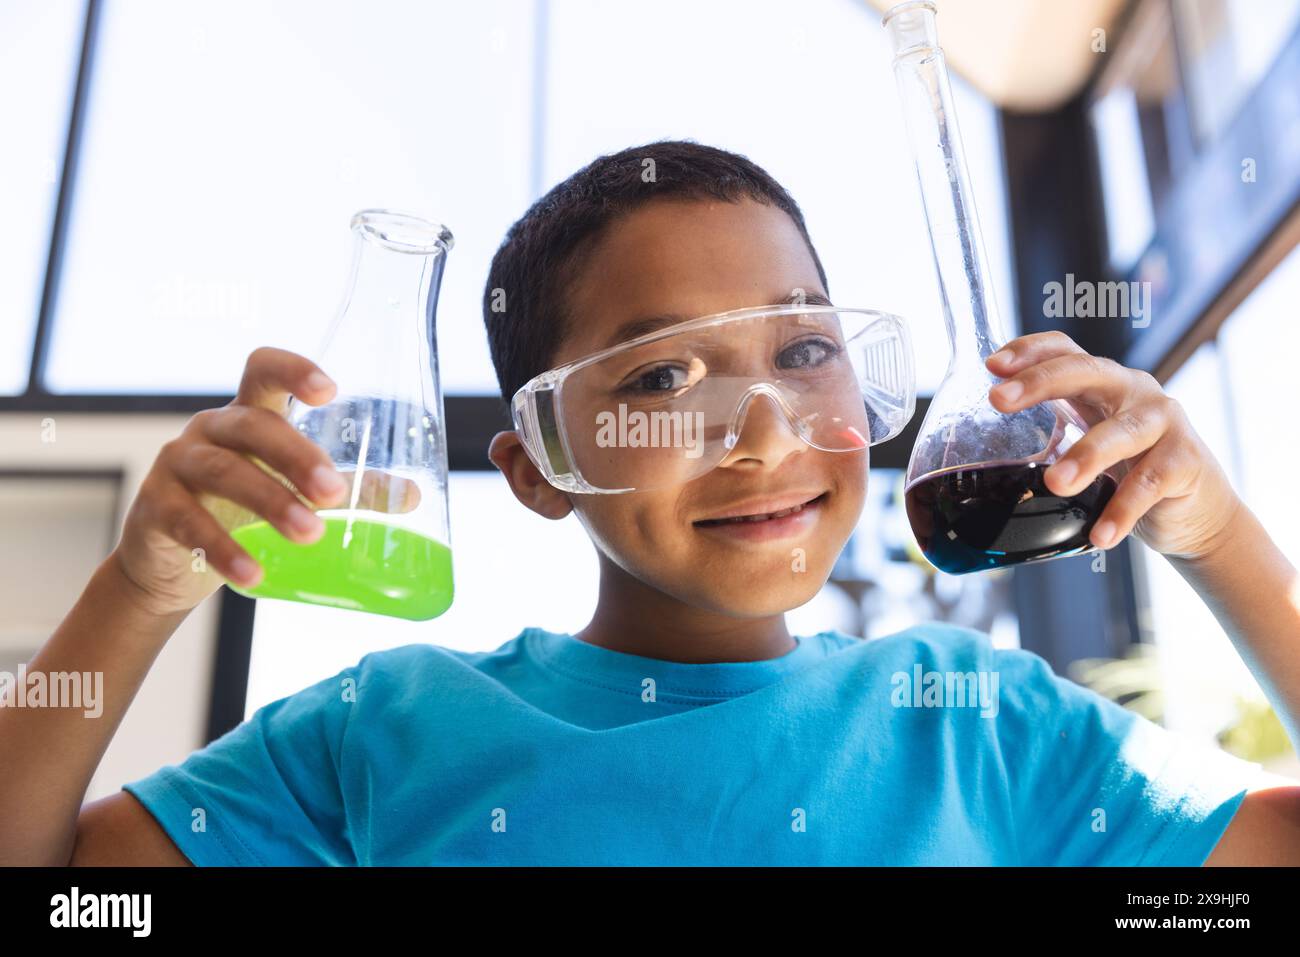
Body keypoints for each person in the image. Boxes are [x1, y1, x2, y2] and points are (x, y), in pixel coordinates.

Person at [4, 140, 1299, 866]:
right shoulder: (387, 734)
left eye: (803, 352)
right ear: (534, 463)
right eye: (665, 375)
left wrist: (1217, 534)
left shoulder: (976, 723)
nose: (761, 432)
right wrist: (140, 588)